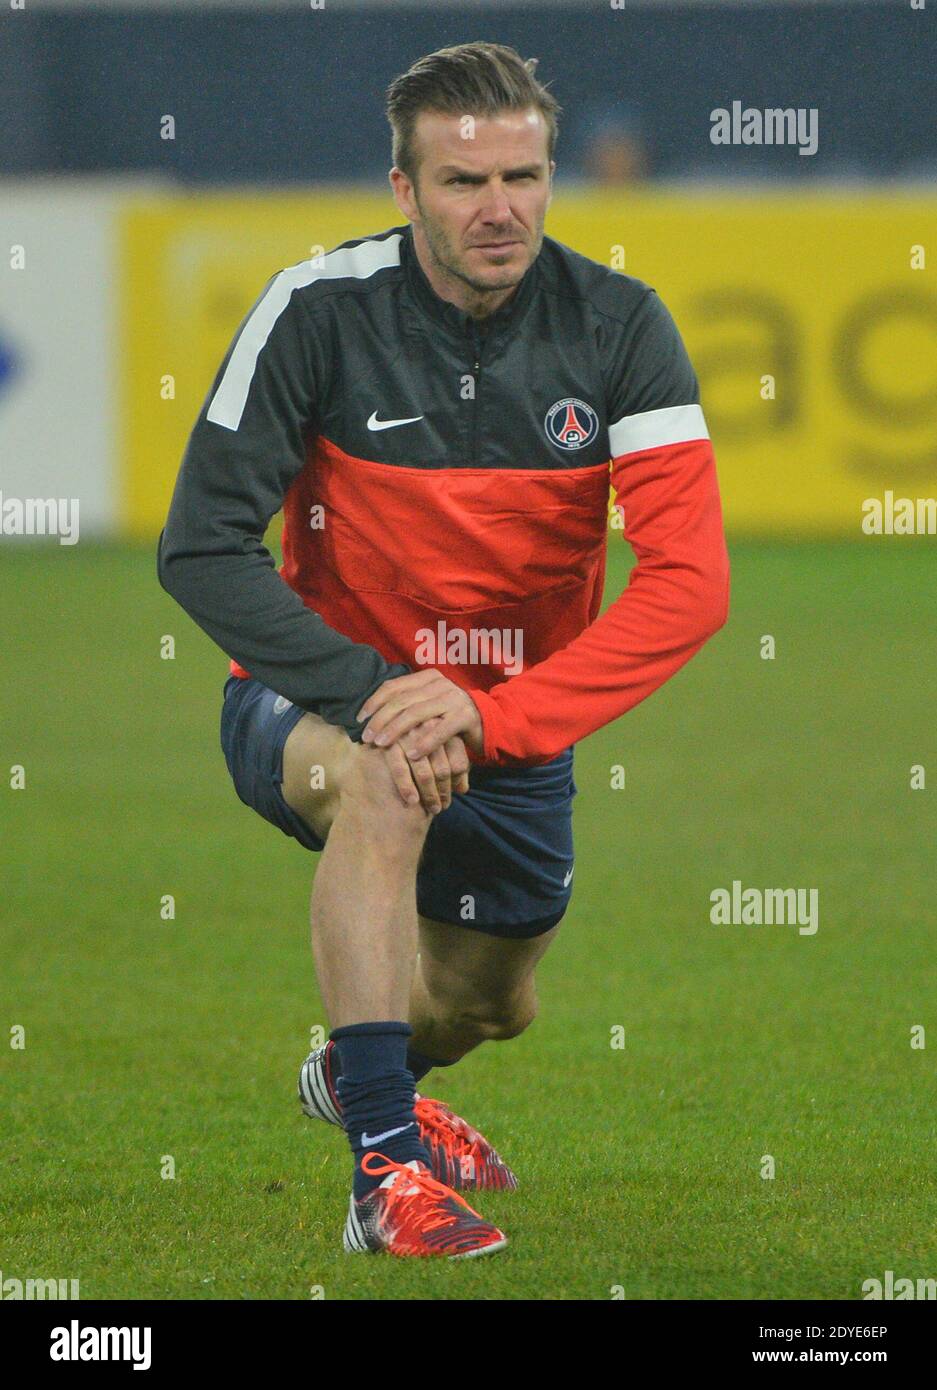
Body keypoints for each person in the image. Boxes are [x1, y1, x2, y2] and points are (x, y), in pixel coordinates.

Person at [158, 41, 730, 1260]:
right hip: (315, 700)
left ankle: (358, 1071)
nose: (500, 208)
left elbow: (688, 586)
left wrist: (495, 718)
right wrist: (377, 693)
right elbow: (202, 547)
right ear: (403, 188)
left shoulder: (621, 326)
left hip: (512, 722)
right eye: (463, 182)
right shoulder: (314, 311)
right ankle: (384, 1172)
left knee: (487, 1003)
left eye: (522, 175)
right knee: (386, 778)